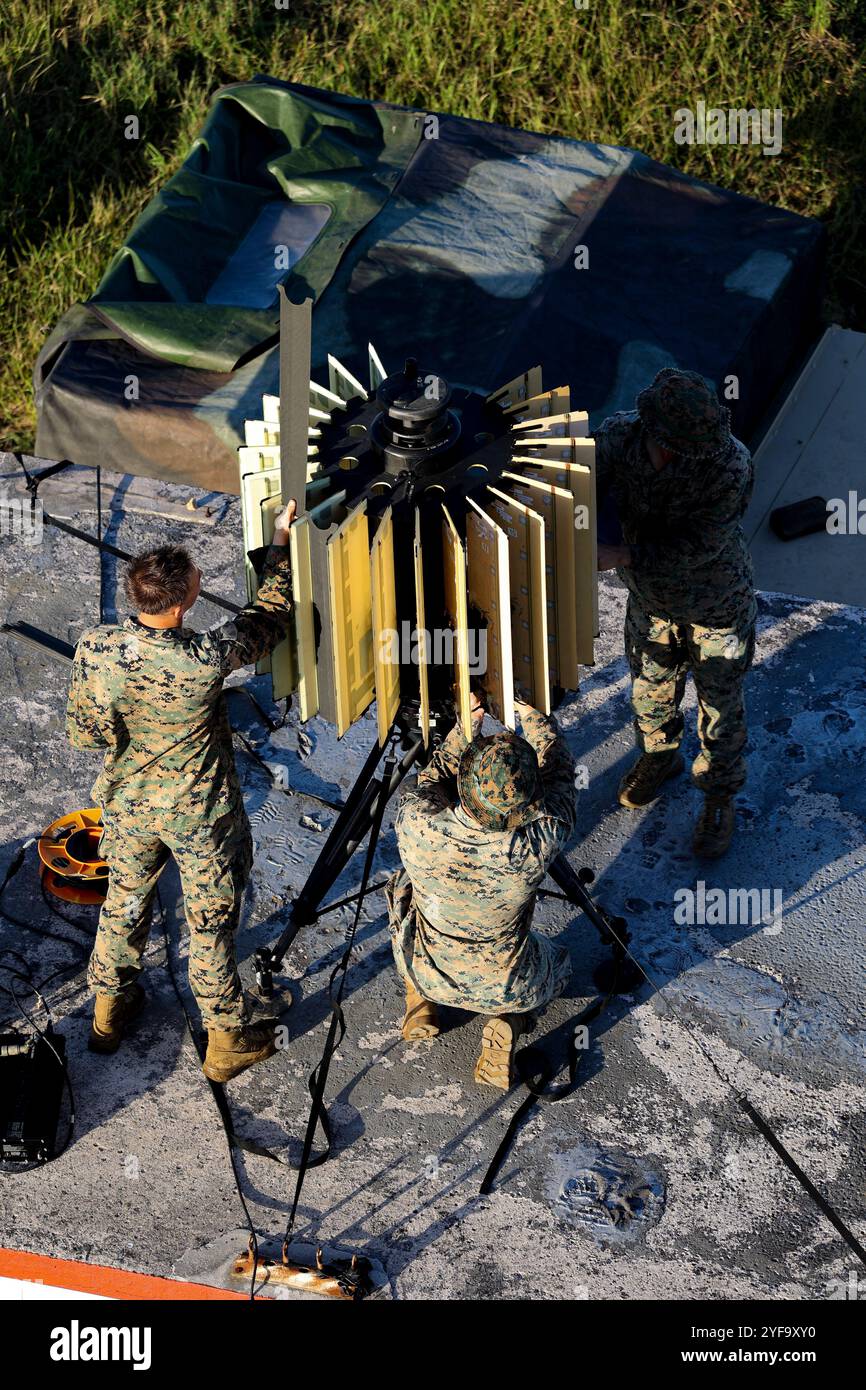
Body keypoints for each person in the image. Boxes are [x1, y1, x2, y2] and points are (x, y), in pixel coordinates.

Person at [66, 501, 297, 1082]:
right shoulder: (204, 658)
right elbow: (269, 616)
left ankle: (108, 1013)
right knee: (210, 921)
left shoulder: (97, 648)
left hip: (127, 805)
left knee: (124, 899)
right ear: (183, 602)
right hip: (200, 813)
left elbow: (84, 733)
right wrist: (279, 546)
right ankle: (225, 1041)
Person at [594, 368, 756, 858]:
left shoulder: (730, 465)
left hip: (716, 605)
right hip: (651, 602)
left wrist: (620, 555)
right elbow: (572, 480)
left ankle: (718, 794)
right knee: (649, 692)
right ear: (654, 433)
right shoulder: (620, 438)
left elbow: (701, 545)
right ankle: (659, 758)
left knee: (720, 709)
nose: (690, 457)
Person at [385, 690, 576, 1089]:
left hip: (425, 967)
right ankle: (512, 1019)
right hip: (508, 985)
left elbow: (432, 778)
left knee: (402, 884)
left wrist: (465, 727)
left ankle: (419, 1000)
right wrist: (533, 716)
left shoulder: (416, 823)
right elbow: (560, 774)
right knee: (561, 965)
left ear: (466, 783)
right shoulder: (538, 844)